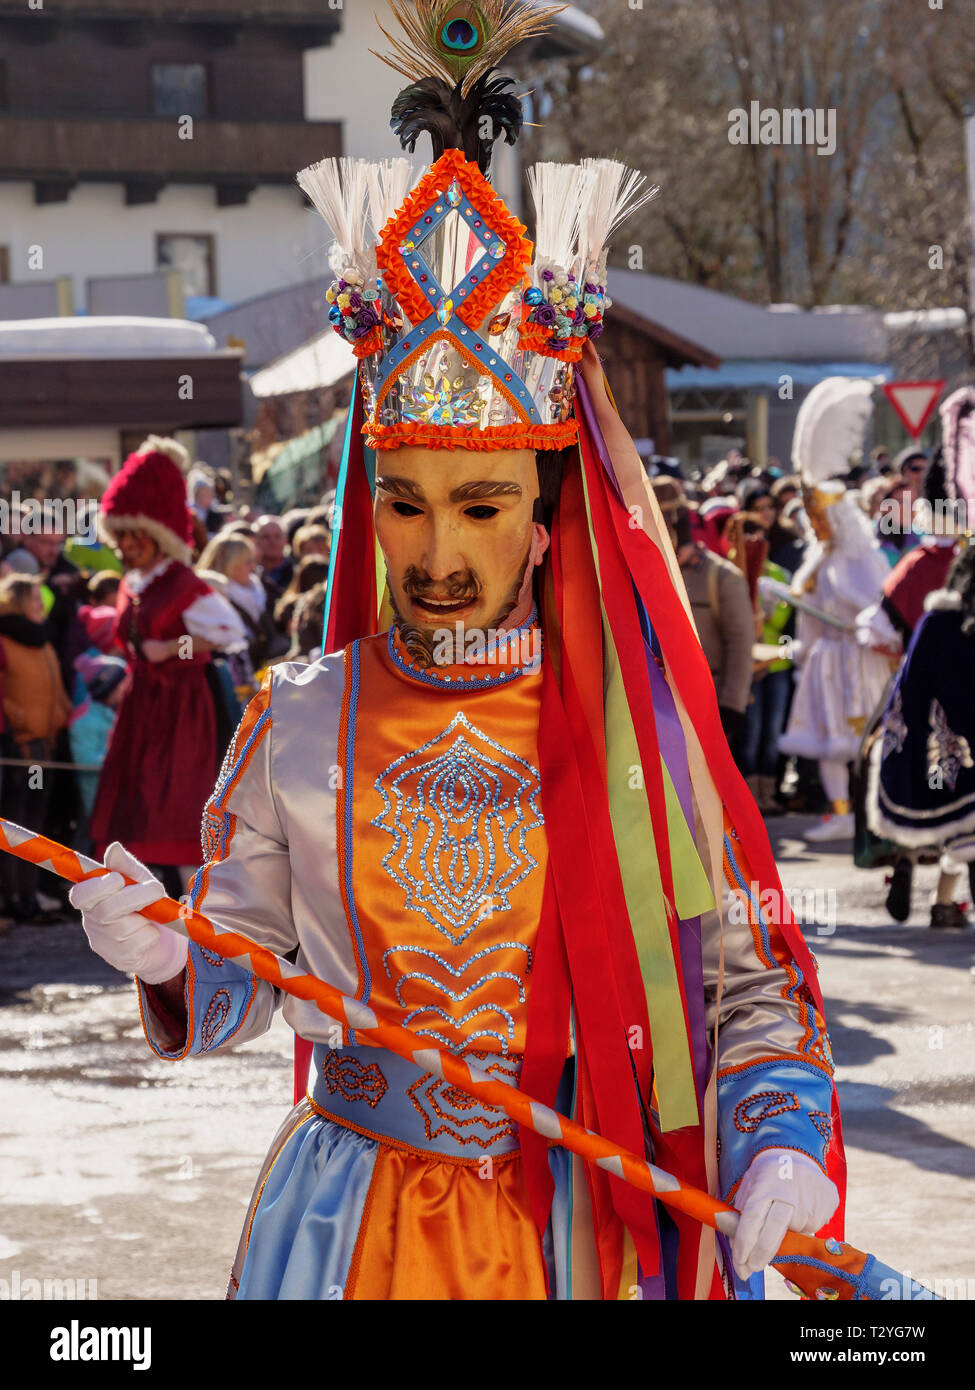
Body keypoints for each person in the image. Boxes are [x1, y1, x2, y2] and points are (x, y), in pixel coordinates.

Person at [70, 7, 842, 1303]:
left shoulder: (628, 736)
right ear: (371, 500)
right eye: (407, 501)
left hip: (582, 1231)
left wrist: (775, 1140)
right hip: (351, 1222)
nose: (436, 548)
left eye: (480, 506)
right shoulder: (296, 717)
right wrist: (171, 953)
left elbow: (748, 979)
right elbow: (243, 958)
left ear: (545, 524)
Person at [88, 437, 251, 899]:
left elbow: (230, 635)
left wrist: (173, 648)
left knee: (178, 810)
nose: (124, 545)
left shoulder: (184, 583)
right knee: (135, 813)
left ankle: (205, 919)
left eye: (133, 534)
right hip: (142, 707)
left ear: (156, 533)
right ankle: (149, 921)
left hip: (182, 711)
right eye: (119, 534)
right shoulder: (133, 583)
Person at [778, 379, 892, 843]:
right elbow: (808, 604)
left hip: (856, 659)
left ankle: (877, 813)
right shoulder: (818, 559)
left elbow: (872, 604)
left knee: (866, 740)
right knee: (827, 741)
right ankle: (840, 811)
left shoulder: (857, 560)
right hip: (826, 659)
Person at [654, 480, 755, 753]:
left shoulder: (723, 578)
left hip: (708, 705)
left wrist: (731, 707)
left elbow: (740, 646)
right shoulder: (649, 574)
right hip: (659, 708)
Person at [0, 573, 72, 921]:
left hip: (45, 746)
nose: (40, 606)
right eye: (33, 599)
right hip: (22, 748)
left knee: (34, 823)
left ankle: (27, 896)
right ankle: (11, 896)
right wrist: (21, 720)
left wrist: (59, 715)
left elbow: (54, 687)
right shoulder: (5, 641)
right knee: (17, 822)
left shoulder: (42, 640)